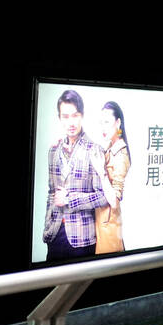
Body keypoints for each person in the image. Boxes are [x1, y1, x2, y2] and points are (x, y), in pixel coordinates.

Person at [42, 89, 110, 261]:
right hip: (55, 234)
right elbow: (51, 193)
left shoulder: (94, 150)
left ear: (82, 116)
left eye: (75, 115)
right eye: (65, 116)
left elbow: (103, 197)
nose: (71, 122)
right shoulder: (53, 151)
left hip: (82, 238)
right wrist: (47, 228)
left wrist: (70, 200)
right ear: (59, 118)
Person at [92, 101, 129, 254]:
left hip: (109, 228)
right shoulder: (109, 149)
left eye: (107, 122)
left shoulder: (121, 154)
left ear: (118, 122)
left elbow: (114, 201)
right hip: (102, 223)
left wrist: (101, 171)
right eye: (101, 122)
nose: (103, 127)